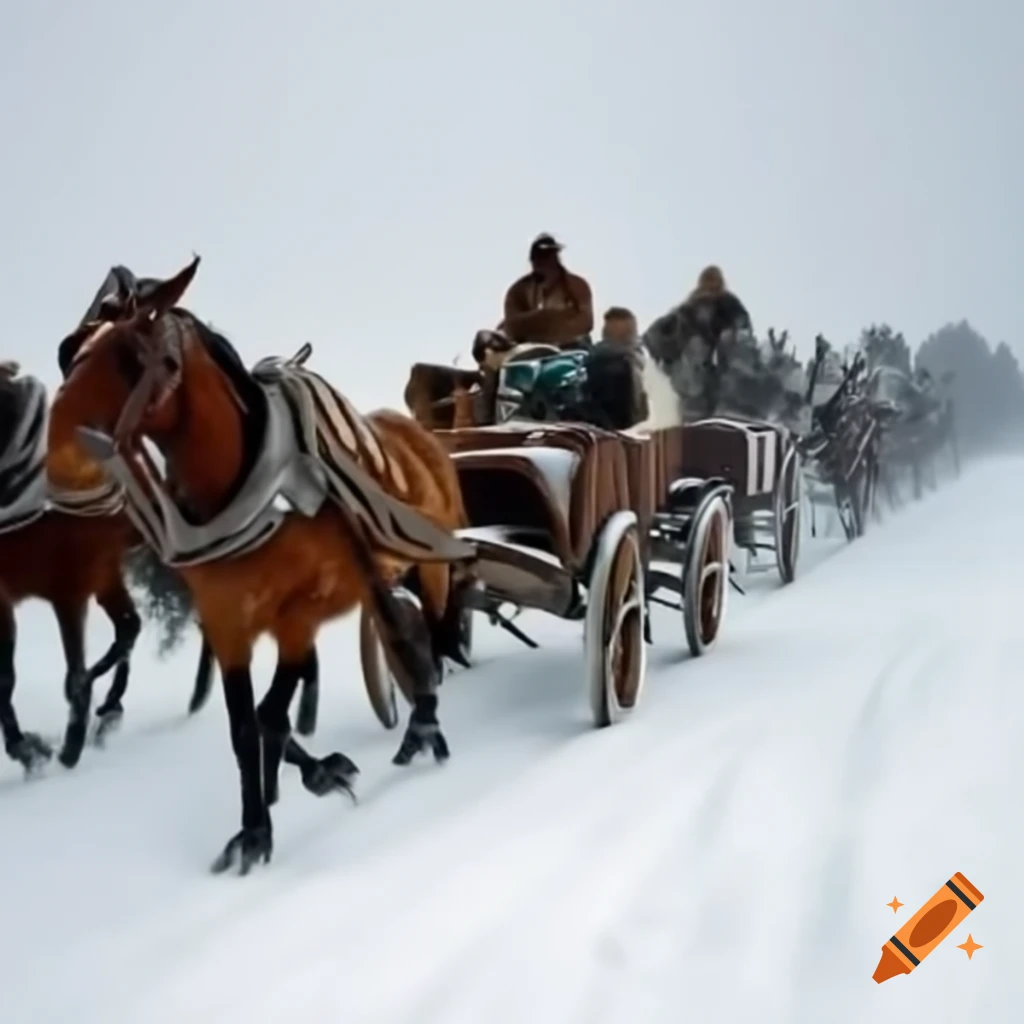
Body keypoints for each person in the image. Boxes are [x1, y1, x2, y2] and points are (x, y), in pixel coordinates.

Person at [501, 234, 594, 348]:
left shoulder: (577, 285)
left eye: (547, 257)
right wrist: (541, 318)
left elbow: (586, 322)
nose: (543, 263)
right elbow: (511, 326)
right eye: (538, 258)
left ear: (556, 258)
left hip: (572, 347)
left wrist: (556, 327)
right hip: (531, 349)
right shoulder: (518, 291)